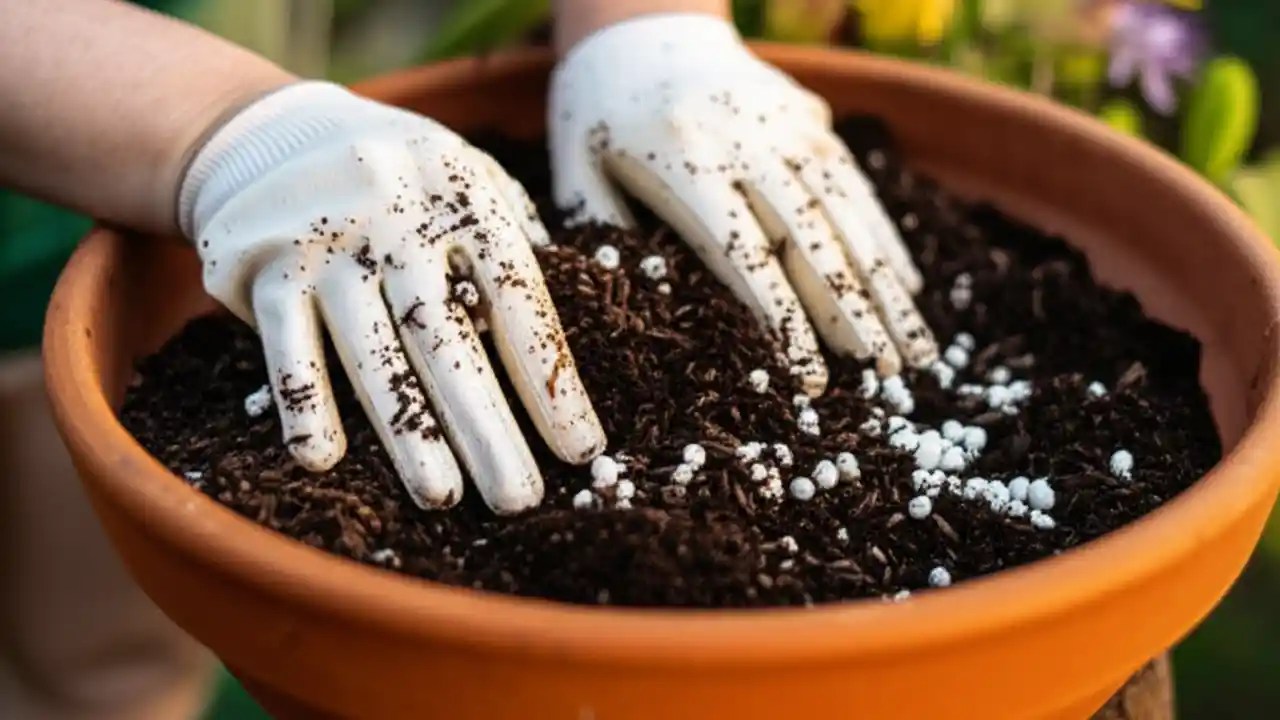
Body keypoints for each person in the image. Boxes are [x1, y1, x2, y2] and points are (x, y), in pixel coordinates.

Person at [0, 0, 937, 717]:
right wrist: (209, 124)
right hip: (63, 164)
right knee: (80, 632)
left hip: (204, 162)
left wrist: (644, 23)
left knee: (118, 647)